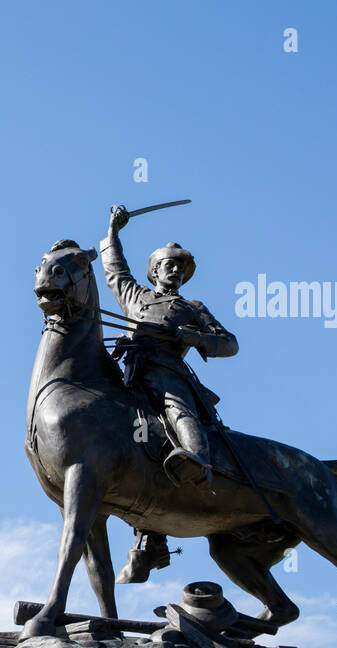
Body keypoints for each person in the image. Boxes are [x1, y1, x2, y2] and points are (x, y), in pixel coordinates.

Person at [101, 203, 238, 582]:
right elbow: (114, 268)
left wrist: (193, 336)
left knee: (177, 410)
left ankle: (196, 460)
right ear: (155, 271)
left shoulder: (192, 307)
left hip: (167, 374)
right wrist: (114, 231)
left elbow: (229, 343)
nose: (175, 271)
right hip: (130, 377)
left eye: (181, 267)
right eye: (169, 265)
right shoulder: (135, 296)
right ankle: (149, 537)